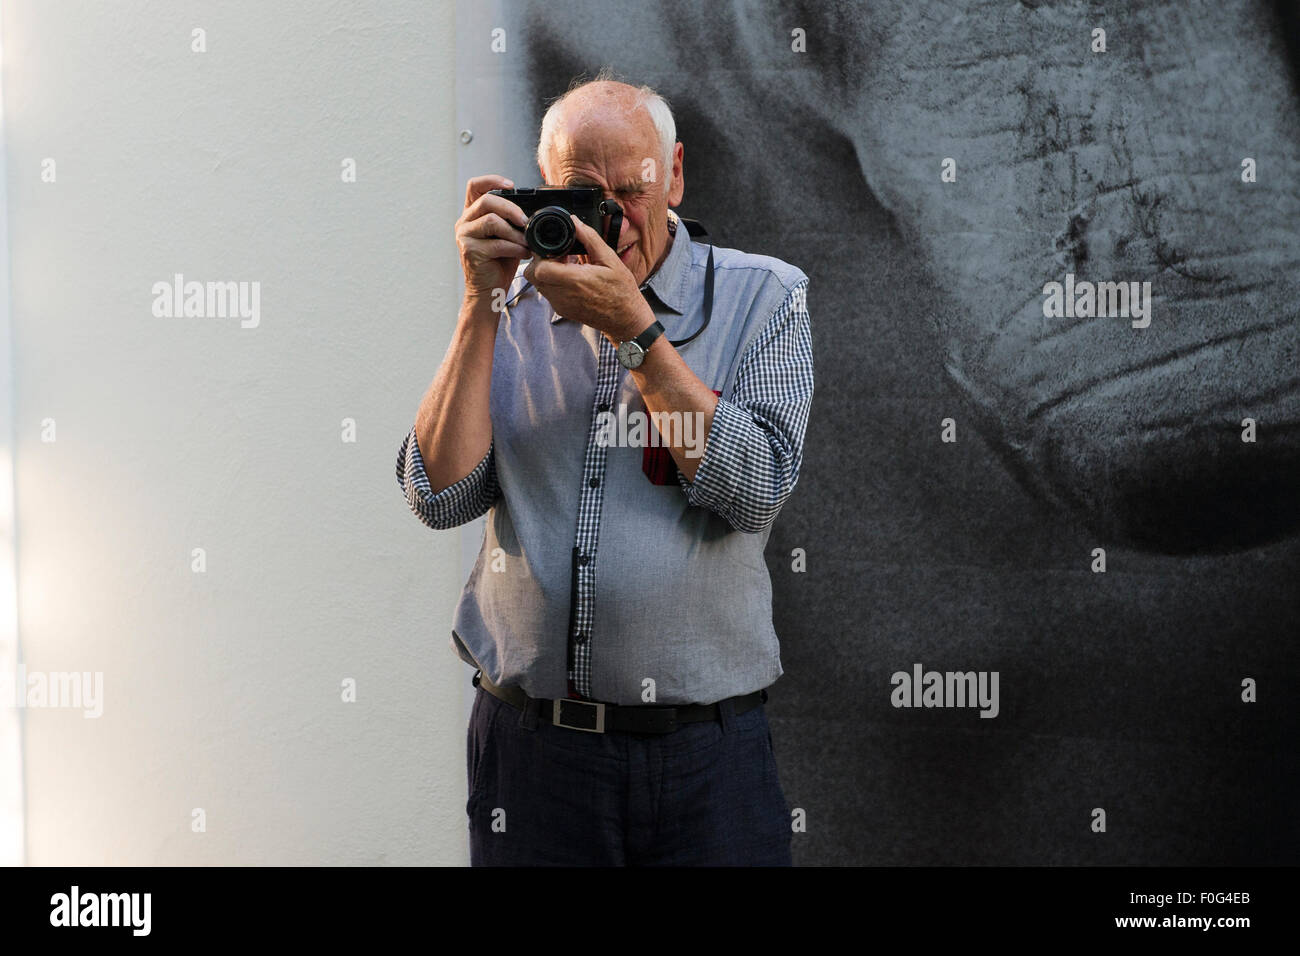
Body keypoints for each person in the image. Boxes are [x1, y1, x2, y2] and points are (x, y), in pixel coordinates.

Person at [395, 74, 814, 866]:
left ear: (677, 174)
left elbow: (754, 489)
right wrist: (476, 307)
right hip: (532, 754)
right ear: (544, 191)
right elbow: (437, 494)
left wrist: (638, 337)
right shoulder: (509, 306)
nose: (614, 219)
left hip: (704, 757)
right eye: (587, 196)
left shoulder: (765, 299)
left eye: (635, 188)